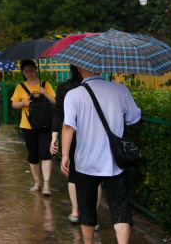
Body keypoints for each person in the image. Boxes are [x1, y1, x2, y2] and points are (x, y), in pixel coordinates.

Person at [61, 66, 141, 244]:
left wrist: (65, 155)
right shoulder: (120, 89)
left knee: (87, 208)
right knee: (120, 209)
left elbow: (68, 126)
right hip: (116, 161)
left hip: (85, 162)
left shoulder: (74, 95)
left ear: (80, 69)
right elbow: (133, 118)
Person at [51, 65, 101, 224]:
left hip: (72, 136)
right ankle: (93, 215)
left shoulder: (65, 88)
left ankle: (75, 211)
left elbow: (59, 113)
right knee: (96, 175)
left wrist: (54, 136)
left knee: (72, 174)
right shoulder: (100, 87)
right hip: (95, 135)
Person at [12, 59, 57, 195]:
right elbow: (14, 104)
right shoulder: (21, 87)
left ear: (36, 70)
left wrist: (44, 94)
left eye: (31, 70)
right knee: (33, 154)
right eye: (26, 72)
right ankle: (37, 182)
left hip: (45, 124)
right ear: (23, 73)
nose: (29, 74)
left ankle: (47, 185)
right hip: (28, 125)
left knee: (46, 153)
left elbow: (55, 101)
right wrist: (23, 103)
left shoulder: (45, 84)